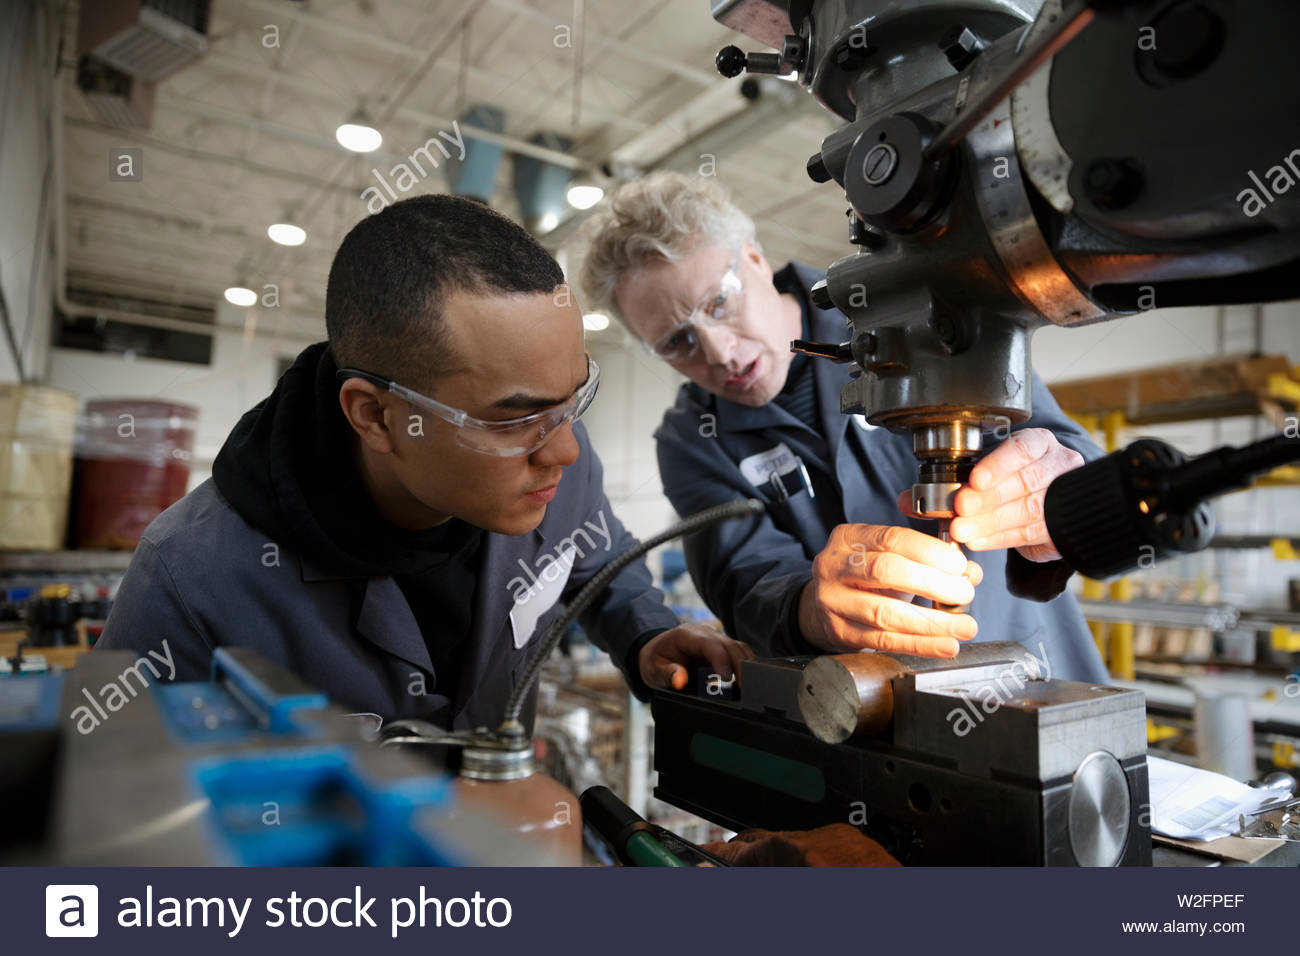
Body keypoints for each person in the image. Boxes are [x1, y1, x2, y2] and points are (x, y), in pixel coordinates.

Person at [98, 194, 750, 731]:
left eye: (572, 399)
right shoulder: (192, 581)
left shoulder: (561, 472)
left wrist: (646, 639)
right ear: (377, 416)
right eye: (514, 417)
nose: (566, 449)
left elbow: (599, 568)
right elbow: (122, 834)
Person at [579, 172, 1107, 682]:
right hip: (866, 713)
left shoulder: (916, 311)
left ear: (757, 261)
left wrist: (1056, 491)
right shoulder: (692, 441)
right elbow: (745, 582)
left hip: (1038, 674)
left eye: (720, 302)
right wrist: (809, 608)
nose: (720, 352)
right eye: (677, 342)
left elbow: (1071, 453)